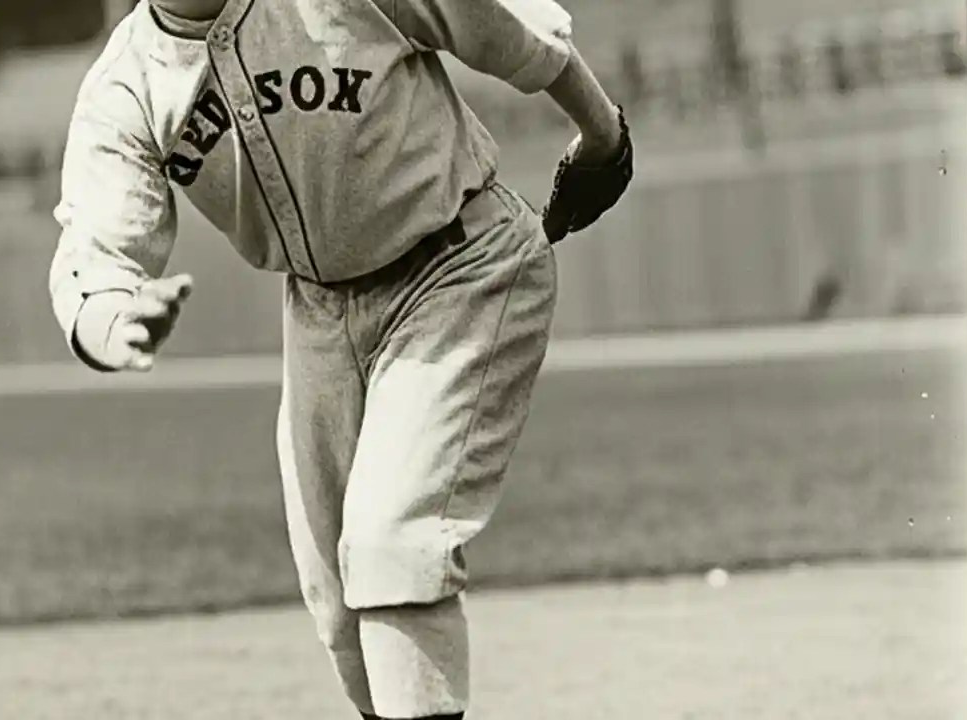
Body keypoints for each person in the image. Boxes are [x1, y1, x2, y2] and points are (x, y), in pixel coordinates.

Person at [48, 0, 628, 717]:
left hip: (459, 263)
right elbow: (96, 253)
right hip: (319, 315)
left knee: (394, 544)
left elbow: (502, 24)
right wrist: (110, 318)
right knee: (340, 613)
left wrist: (603, 136)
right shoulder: (126, 86)